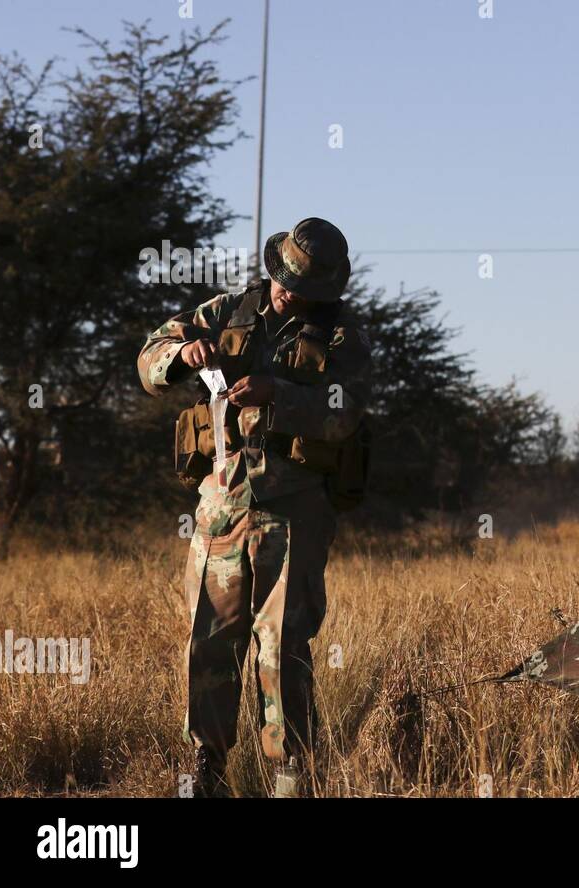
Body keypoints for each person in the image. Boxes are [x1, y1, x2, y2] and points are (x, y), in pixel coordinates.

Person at [137, 218, 372, 797]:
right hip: (220, 506)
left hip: (295, 511)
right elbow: (148, 359)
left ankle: (293, 773)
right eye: (290, 281)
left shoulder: (341, 336)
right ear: (275, 269)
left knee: (283, 643)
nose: (295, 294)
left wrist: (280, 394)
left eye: (309, 288)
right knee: (209, 638)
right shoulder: (225, 311)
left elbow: (344, 414)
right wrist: (180, 352)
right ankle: (205, 769)